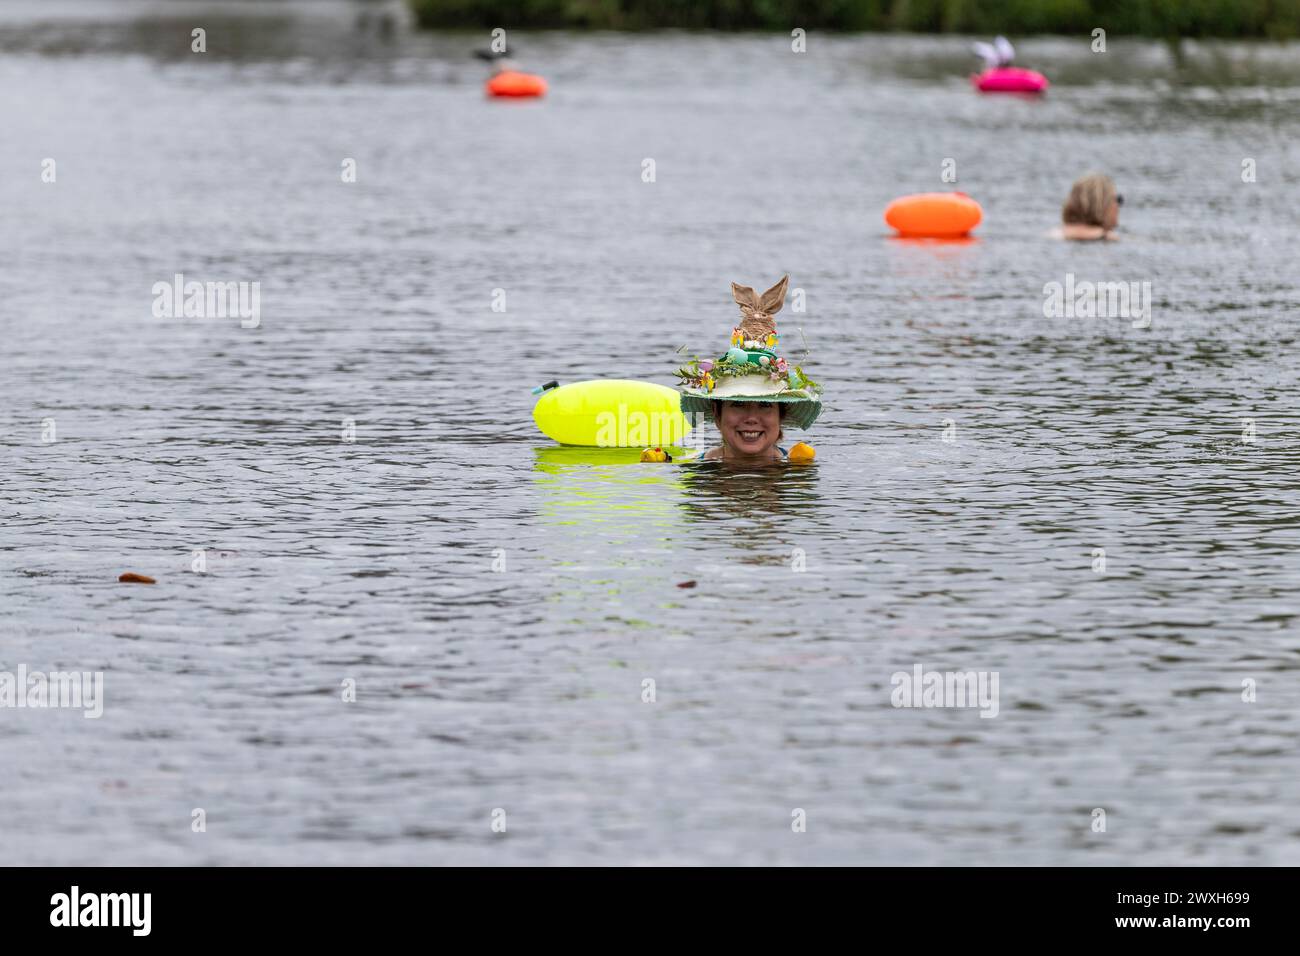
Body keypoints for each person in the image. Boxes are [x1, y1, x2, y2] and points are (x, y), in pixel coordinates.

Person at [675, 275, 822, 465]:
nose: (751, 418)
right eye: (737, 403)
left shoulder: (799, 471)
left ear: (781, 415)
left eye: (765, 405)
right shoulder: (694, 471)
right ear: (717, 414)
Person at [1061, 173, 1122, 241]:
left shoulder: (1056, 233)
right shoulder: (1106, 237)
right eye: (1118, 199)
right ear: (1102, 204)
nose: (1118, 205)